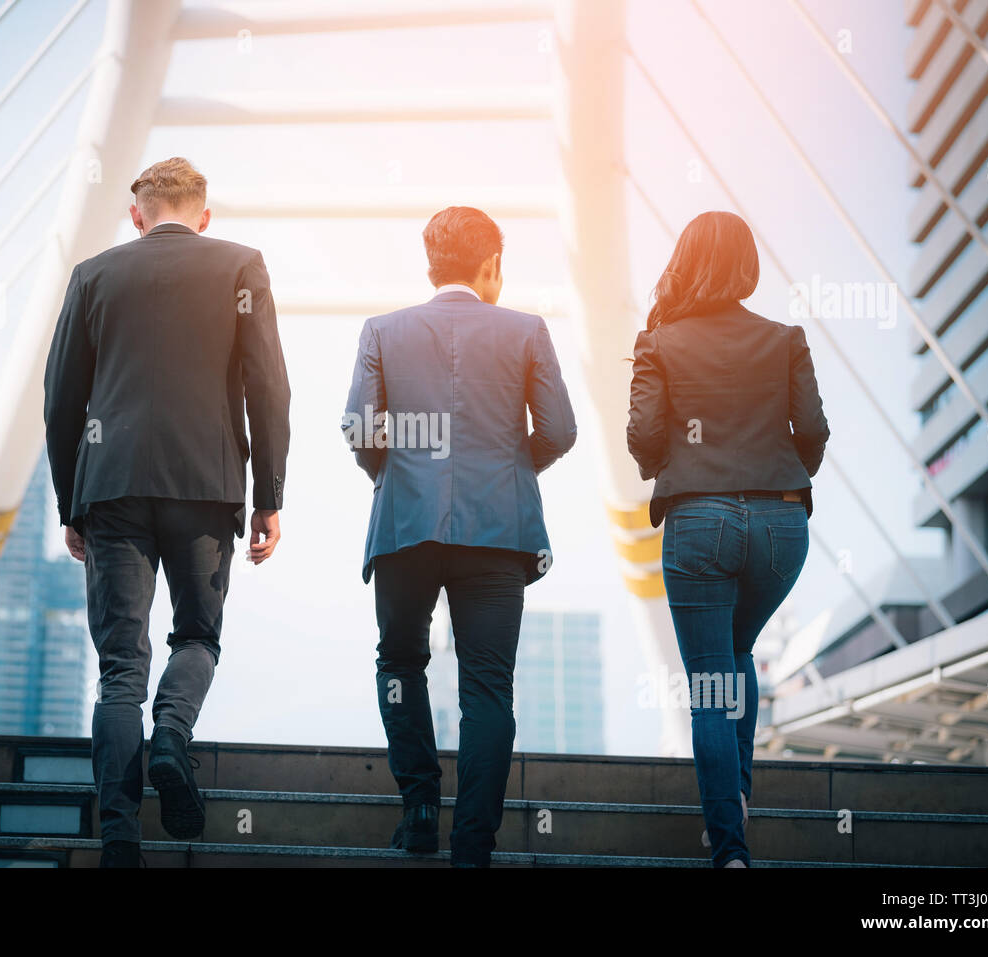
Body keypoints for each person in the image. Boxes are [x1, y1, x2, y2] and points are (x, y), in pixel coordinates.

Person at [43, 157, 291, 868]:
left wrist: (72, 503)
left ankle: (119, 833)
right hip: (206, 486)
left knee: (121, 665)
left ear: (137, 214)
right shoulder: (243, 265)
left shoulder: (93, 275)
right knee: (197, 636)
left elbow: (62, 400)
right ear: (204, 214)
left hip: (113, 488)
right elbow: (269, 387)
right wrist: (269, 493)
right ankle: (173, 738)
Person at [342, 206, 577, 867]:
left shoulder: (382, 331)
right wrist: (505, 466)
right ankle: (473, 842)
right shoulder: (527, 329)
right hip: (499, 534)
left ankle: (419, 808)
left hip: (405, 528)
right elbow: (559, 429)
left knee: (399, 664)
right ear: (492, 266)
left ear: (429, 265)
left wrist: (395, 473)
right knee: (487, 686)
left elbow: (361, 429)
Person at [626, 210, 830, 868]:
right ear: (748, 264)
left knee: (711, 685)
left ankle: (731, 849)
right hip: (780, 526)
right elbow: (815, 430)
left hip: (699, 524)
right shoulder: (786, 338)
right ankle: (737, 795)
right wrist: (777, 471)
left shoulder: (658, 342)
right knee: (737, 650)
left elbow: (644, 439)